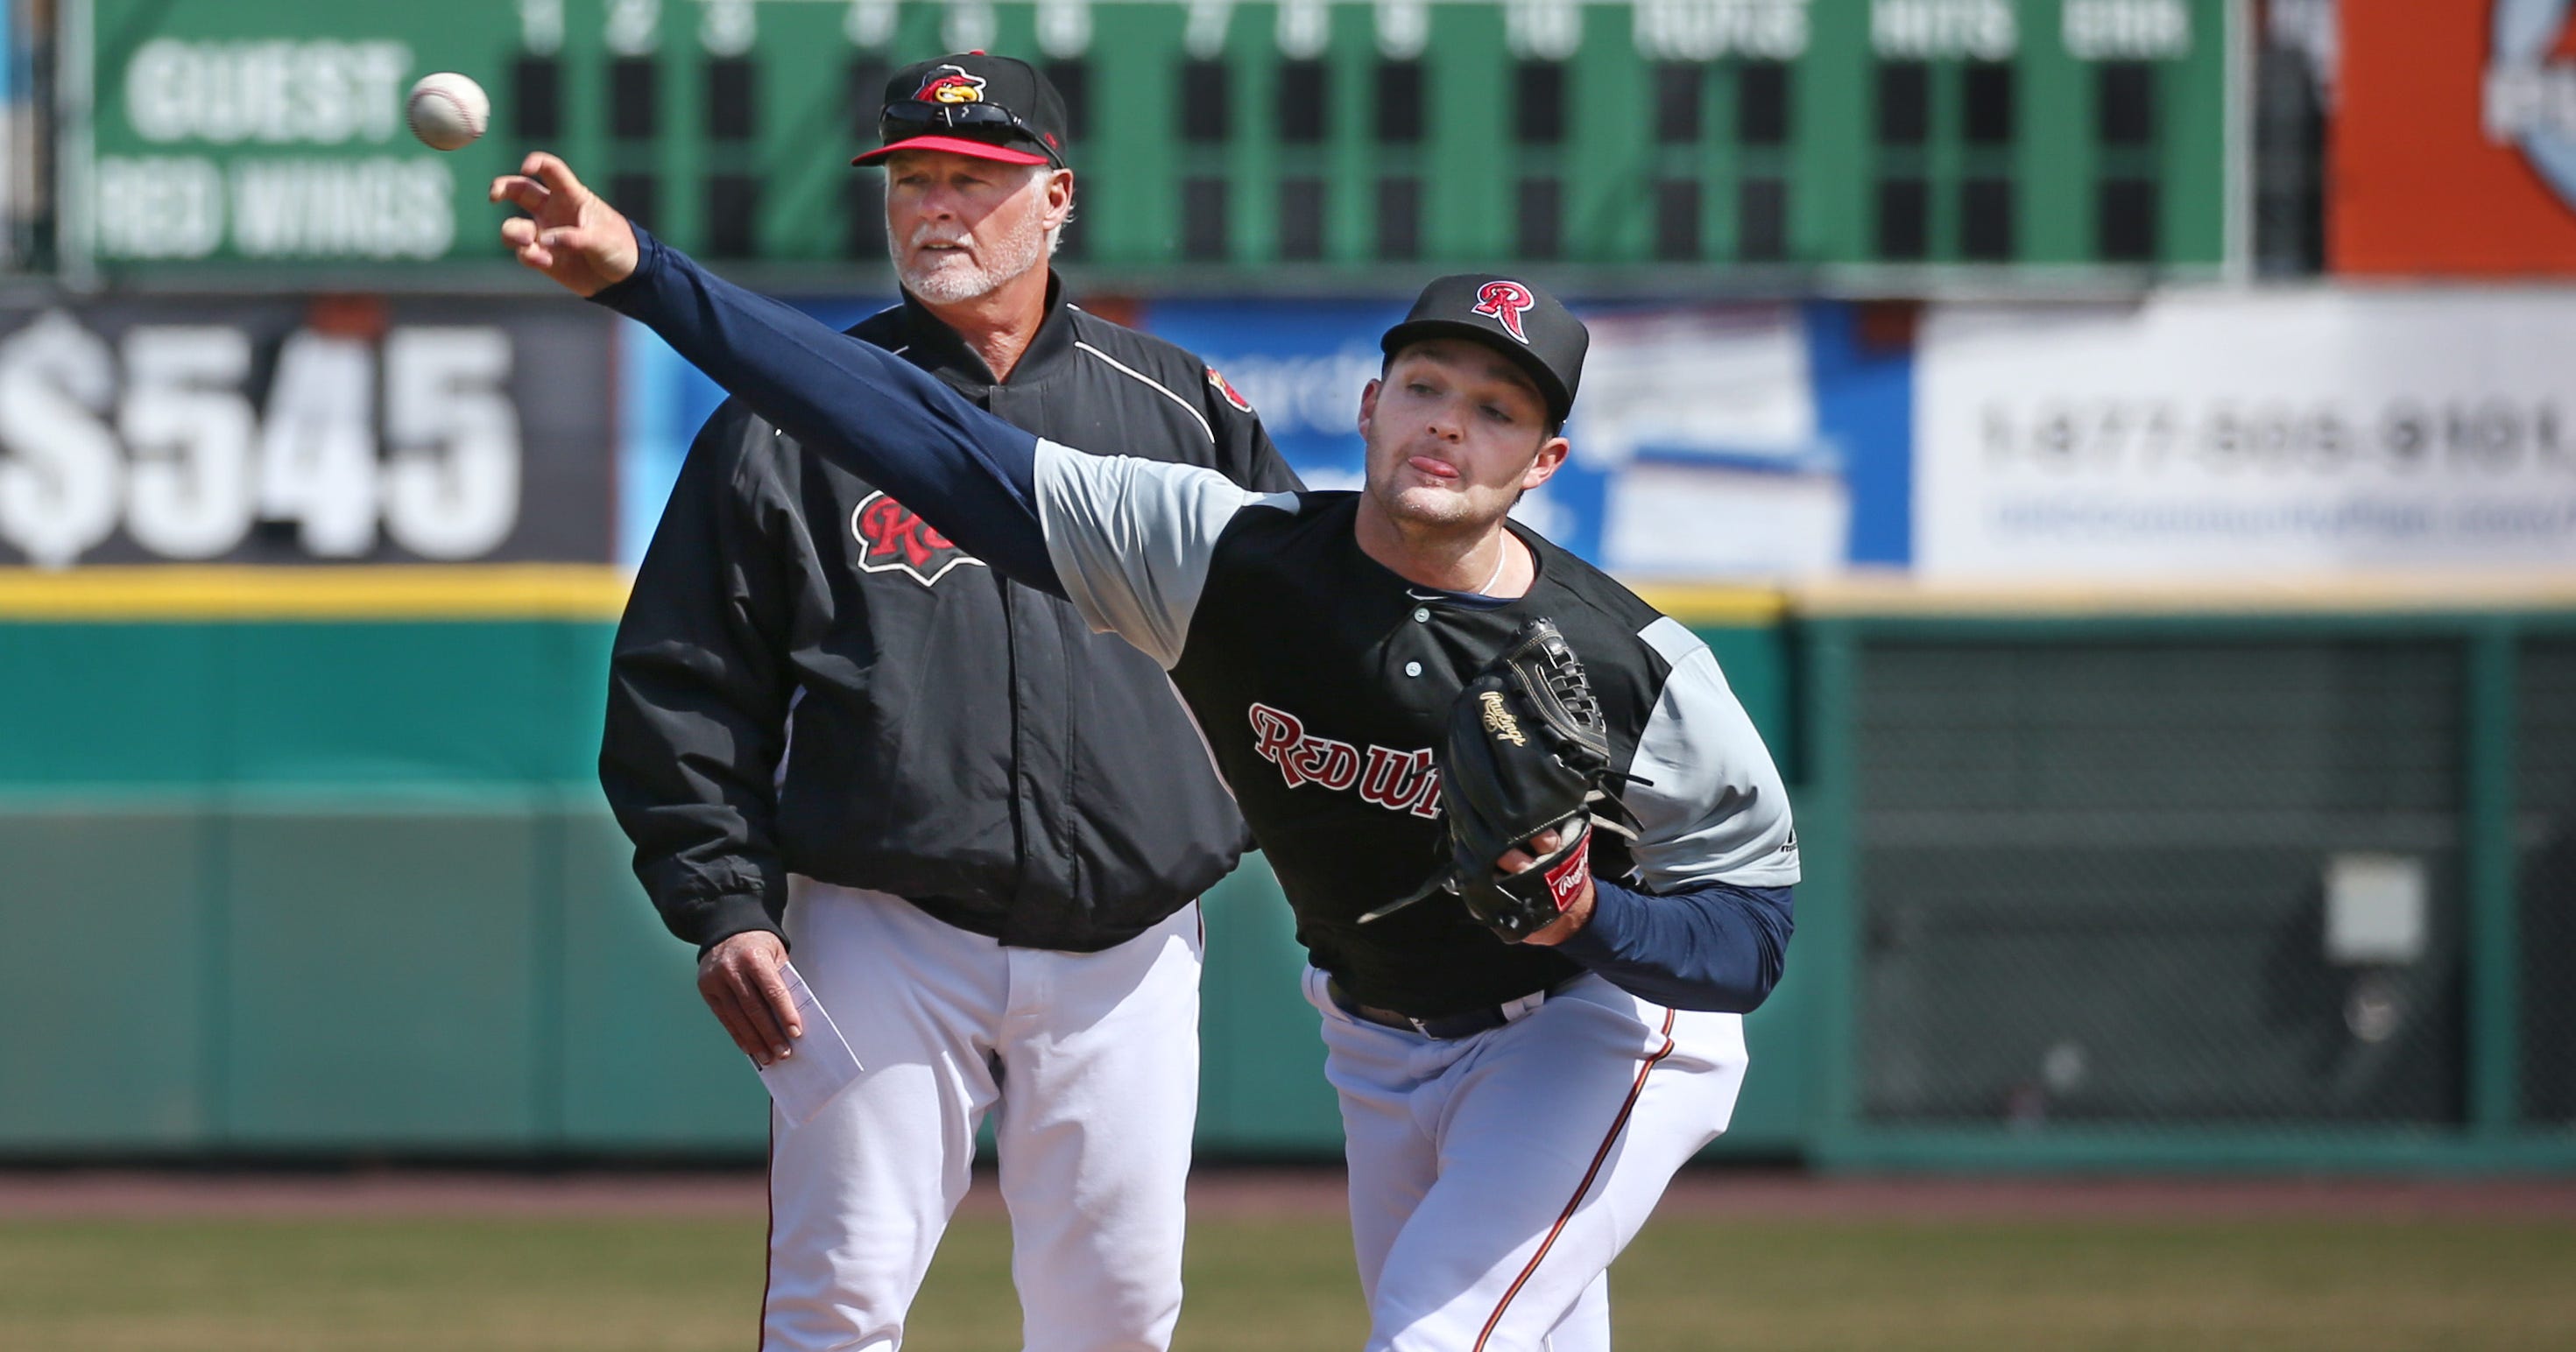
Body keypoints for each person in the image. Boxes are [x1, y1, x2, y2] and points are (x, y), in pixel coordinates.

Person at [499, 157, 1795, 1351]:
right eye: (1427, 388)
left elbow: (1753, 930)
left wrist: (1591, 916)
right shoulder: (1223, 558)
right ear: (1370, 401)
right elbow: (919, 435)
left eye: (1496, 410)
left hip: (1589, 1025)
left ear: (1542, 459)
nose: (1448, 426)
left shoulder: (1631, 667)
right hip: (1380, 1038)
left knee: (1431, 1337)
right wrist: (644, 276)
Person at [589, 54, 1300, 1352]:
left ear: (1056, 199)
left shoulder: (1182, 409)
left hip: (1134, 936)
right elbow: (685, 682)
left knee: (1119, 1315)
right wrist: (722, 905)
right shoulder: (787, 420)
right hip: (879, 926)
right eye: (913, 178)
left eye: (975, 180)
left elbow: (1298, 656)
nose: (936, 208)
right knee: (838, 1300)